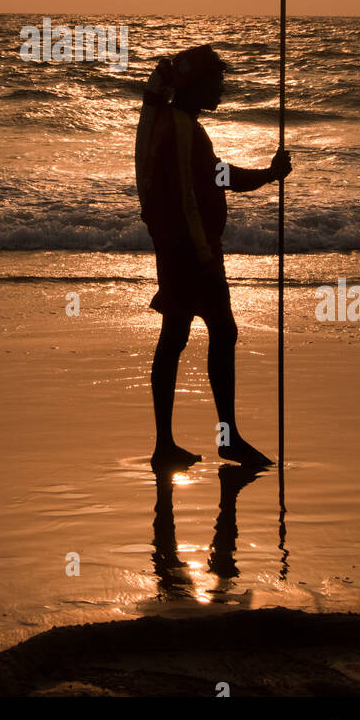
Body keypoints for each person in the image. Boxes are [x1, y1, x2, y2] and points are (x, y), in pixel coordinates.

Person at [135, 45, 291, 471]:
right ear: (196, 85)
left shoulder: (176, 124)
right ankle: (226, 437)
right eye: (216, 79)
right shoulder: (182, 129)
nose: (222, 86)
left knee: (177, 339)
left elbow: (208, 179)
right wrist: (269, 174)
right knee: (220, 334)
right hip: (193, 250)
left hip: (179, 248)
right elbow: (205, 186)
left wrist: (264, 175)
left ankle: (169, 443)